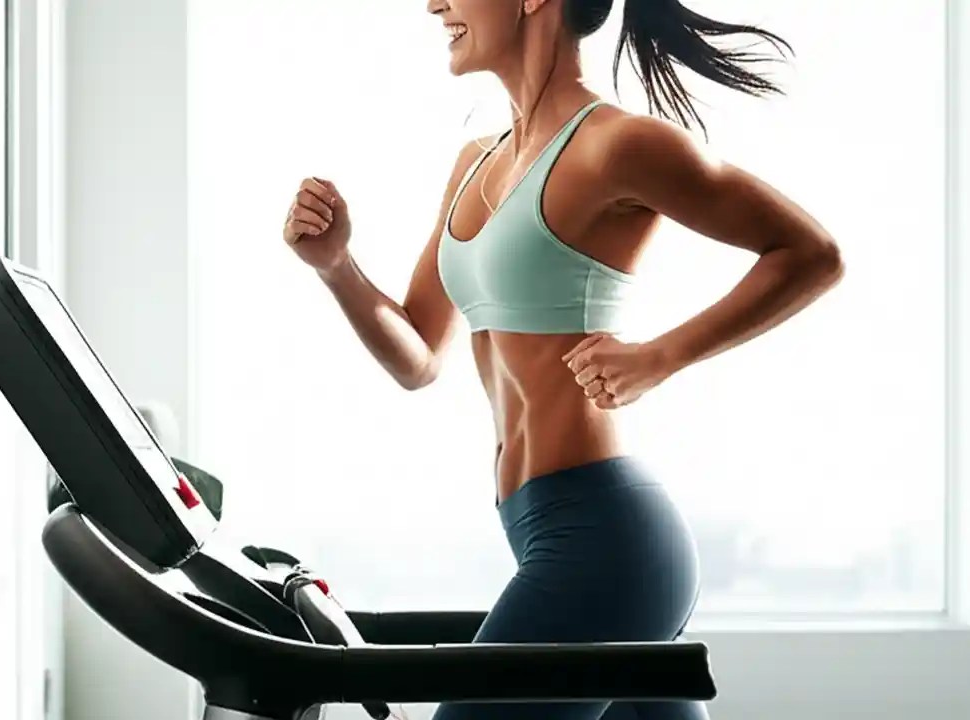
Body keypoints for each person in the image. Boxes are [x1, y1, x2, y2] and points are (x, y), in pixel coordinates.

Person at [282, 0, 844, 717]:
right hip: (542, 528)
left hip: (604, 541)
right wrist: (336, 267)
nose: (435, 4)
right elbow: (420, 356)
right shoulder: (474, 164)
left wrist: (661, 356)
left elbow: (811, 254)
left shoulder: (618, 146)